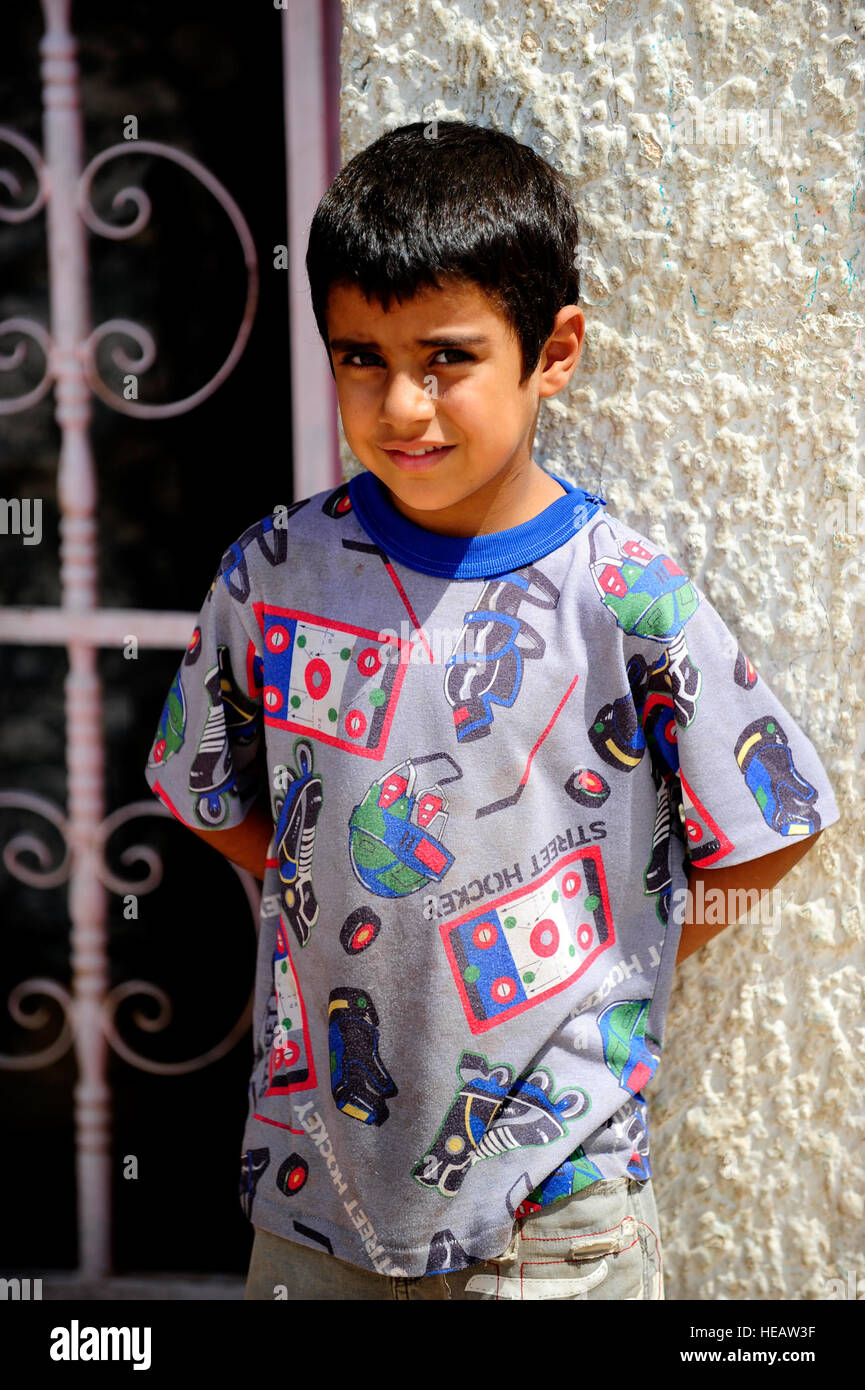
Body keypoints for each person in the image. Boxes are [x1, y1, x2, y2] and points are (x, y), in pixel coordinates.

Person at [144, 121, 840, 1301]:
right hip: (315, 1193)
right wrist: (339, 903)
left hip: (556, 1214)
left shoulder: (620, 592)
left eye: (446, 358)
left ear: (553, 350)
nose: (401, 403)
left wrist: (612, 960)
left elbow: (776, 816)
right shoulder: (274, 572)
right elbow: (206, 790)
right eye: (359, 356)